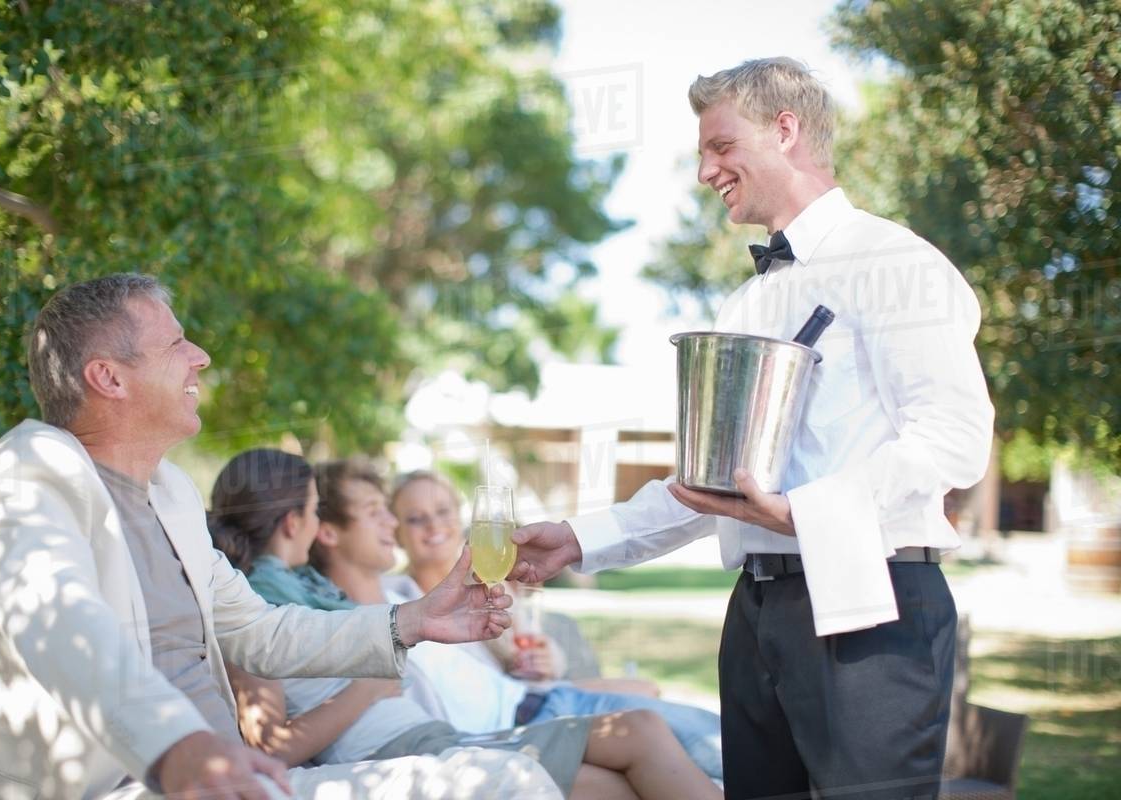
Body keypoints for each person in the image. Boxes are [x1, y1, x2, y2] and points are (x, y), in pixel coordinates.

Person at [509, 57, 996, 800]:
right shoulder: (744, 306)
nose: (706, 170)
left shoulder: (898, 264)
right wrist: (578, 539)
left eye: (721, 146)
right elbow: (711, 481)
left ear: (786, 129)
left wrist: (807, 512)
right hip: (758, 609)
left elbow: (955, 436)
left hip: (874, 602)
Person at [0, 273, 560, 800]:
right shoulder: (32, 469)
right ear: (109, 378)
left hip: (222, 776)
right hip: (118, 784)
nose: (200, 355)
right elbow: (57, 623)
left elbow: (259, 631)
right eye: (175, 342)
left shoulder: (168, 492)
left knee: (514, 780)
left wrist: (413, 619)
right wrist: (177, 747)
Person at [209, 449, 724, 800]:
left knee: (640, 750)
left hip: (436, 735)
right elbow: (270, 744)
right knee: (638, 747)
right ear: (297, 523)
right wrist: (371, 685)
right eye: (316, 510)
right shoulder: (256, 610)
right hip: (412, 748)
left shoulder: (308, 595)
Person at [387, 470, 650, 692]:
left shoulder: (486, 579)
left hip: (529, 695)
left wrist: (547, 661)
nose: (433, 525)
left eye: (443, 511)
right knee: (642, 697)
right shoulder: (396, 601)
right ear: (396, 532)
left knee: (644, 690)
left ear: (459, 516)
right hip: (496, 715)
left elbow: (529, 643)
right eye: (415, 518)